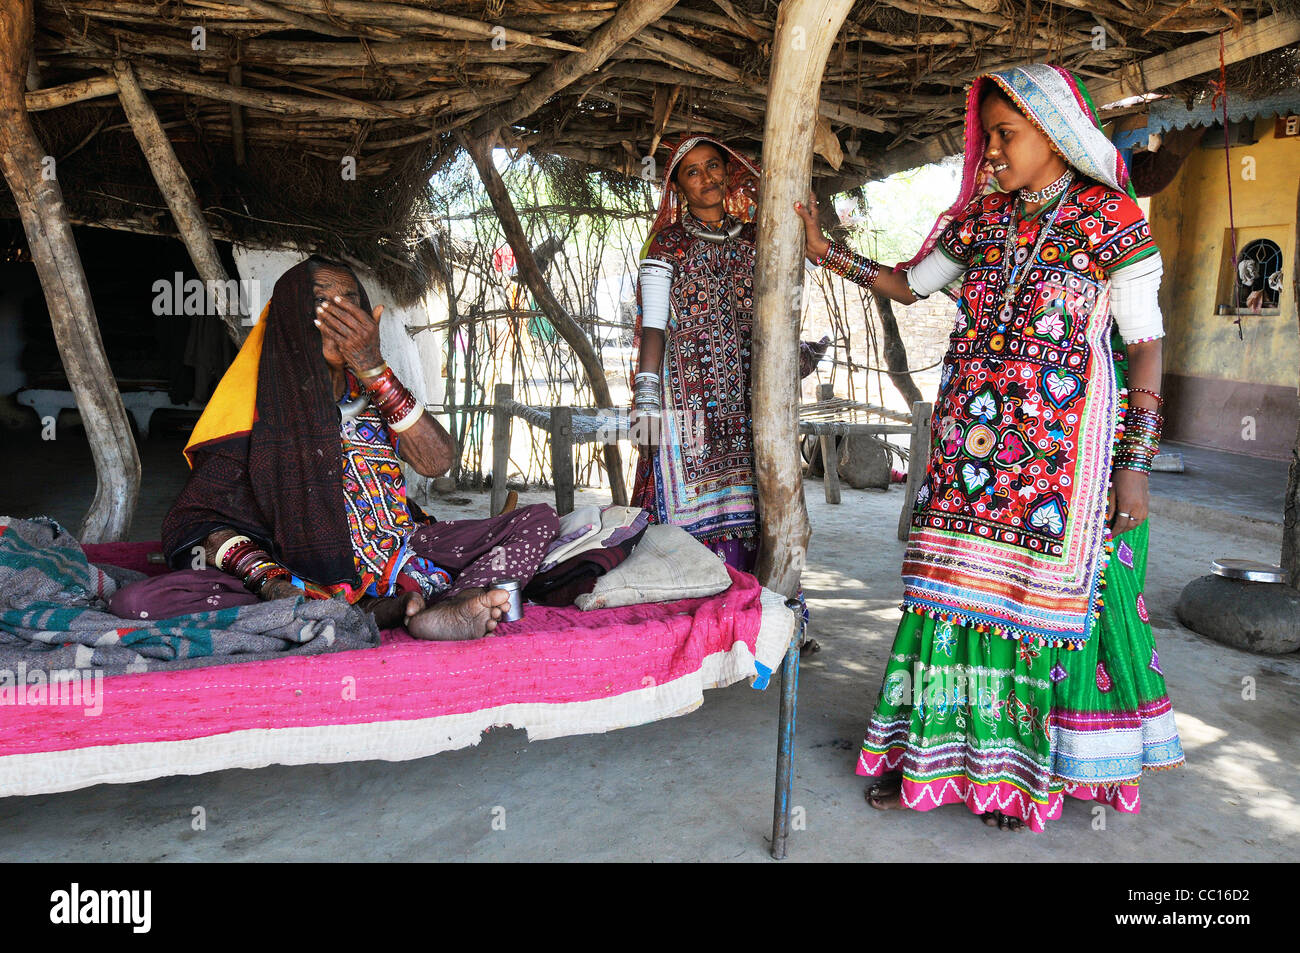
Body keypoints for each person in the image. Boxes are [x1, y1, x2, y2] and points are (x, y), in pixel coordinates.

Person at [795, 64, 1183, 831]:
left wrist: (1134, 467)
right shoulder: (982, 221)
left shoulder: (1113, 221)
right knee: (946, 591)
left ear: (1055, 134)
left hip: (1060, 458)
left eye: (1005, 135)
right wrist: (826, 251)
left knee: (1027, 607)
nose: (991, 152)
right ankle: (932, 757)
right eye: (989, 136)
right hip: (969, 449)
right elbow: (911, 284)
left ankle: (1013, 777)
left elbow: (1145, 348)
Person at [159, 256, 558, 640]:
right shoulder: (256, 408)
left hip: (406, 549)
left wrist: (374, 368)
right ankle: (386, 609)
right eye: (322, 303)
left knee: (538, 519)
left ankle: (453, 604)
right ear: (291, 319)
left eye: (352, 303)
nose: (342, 318)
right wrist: (271, 582)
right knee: (156, 599)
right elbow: (198, 523)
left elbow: (437, 461)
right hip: (304, 567)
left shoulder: (373, 394)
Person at [631, 135, 826, 574]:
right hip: (689, 402)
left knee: (760, 500)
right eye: (693, 172)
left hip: (751, 399)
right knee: (695, 509)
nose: (706, 178)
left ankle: (758, 613)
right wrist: (645, 403)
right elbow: (654, 327)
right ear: (678, 187)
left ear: (727, 170)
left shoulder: (760, 237)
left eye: (713, 166)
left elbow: (803, 269)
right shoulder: (667, 245)